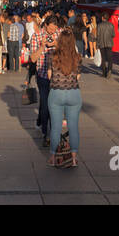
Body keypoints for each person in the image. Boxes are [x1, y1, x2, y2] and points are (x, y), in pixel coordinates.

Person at [47, 28, 83, 166]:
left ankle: (53, 157)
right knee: (73, 127)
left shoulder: (53, 55)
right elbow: (78, 76)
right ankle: (73, 158)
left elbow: (50, 75)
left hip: (56, 92)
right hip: (74, 93)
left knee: (56, 127)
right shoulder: (78, 57)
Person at [32, 16, 59, 146]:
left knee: (54, 106)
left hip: (58, 76)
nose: (52, 31)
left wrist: (56, 43)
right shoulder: (36, 36)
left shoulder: (59, 34)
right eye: (50, 28)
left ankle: (52, 131)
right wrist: (42, 46)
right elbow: (32, 58)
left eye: (54, 29)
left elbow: (67, 51)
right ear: (46, 25)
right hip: (42, 75)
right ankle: (46, 134)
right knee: (45, 105)